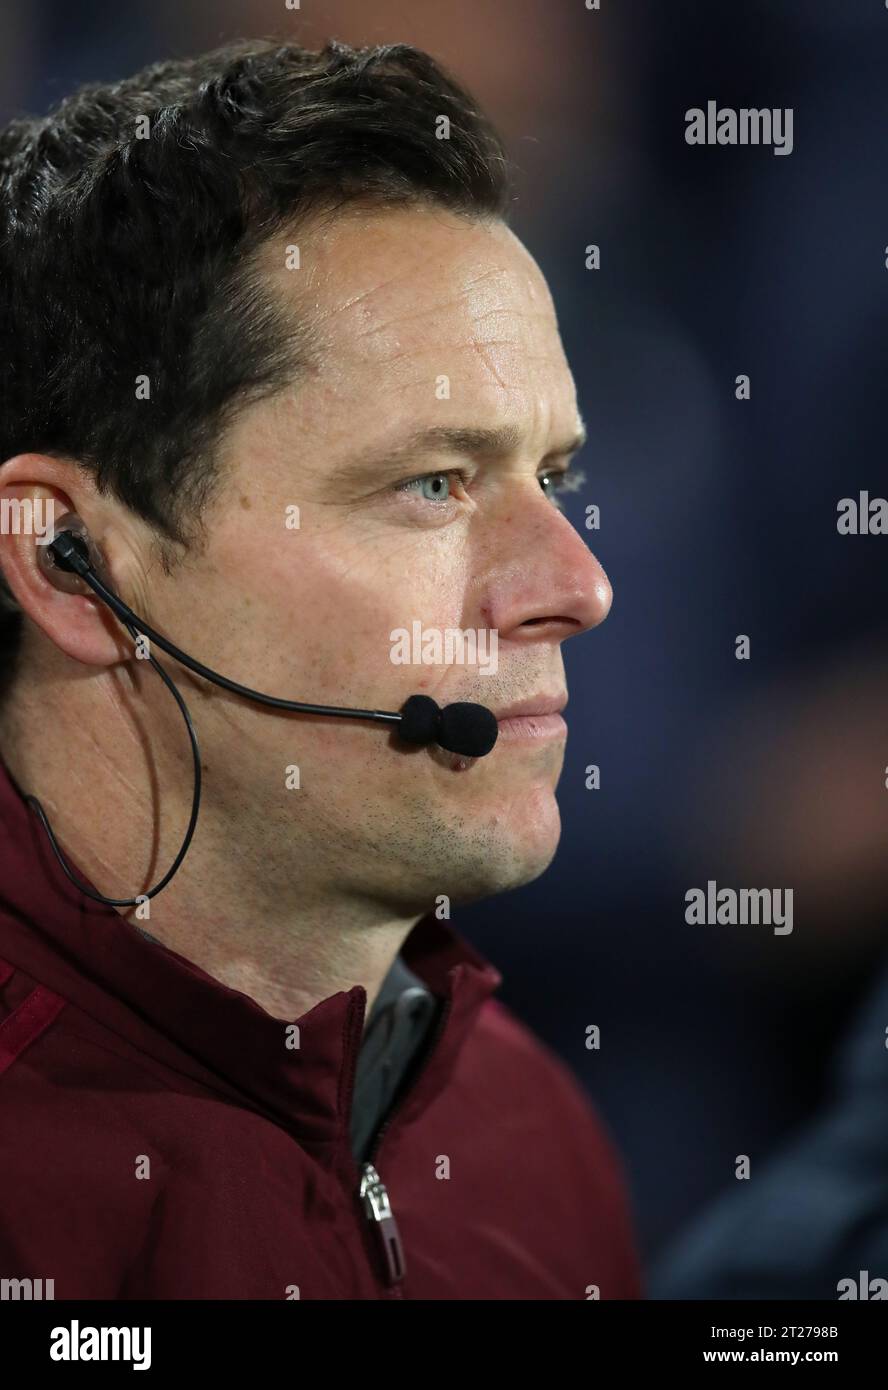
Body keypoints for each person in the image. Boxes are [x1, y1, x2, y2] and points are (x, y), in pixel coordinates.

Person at [0, 36, 639, 1299]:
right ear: (69, 561)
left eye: (551, 476)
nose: (577, 588)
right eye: (431, 484)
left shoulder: (526, 1133)